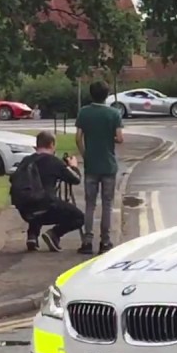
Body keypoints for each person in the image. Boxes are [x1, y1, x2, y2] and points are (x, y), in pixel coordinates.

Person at [9, 131, 84, 252]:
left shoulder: (26, 161)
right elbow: (76, 179)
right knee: (79, 217)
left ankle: (32, 236)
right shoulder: (54, 162)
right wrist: (73, 166)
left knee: (35, 198)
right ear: (52, 144)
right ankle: (54, 234)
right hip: (47, 208)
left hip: (24, 210)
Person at [74, 81, 123, 254]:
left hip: (91, 164)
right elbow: (119, 138)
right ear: (106, 95)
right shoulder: (114, 113)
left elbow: (78, 137)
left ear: (91, 94)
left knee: (90, 204)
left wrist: (85, 154)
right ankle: (105, 242)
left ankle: (87, 242)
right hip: (108, 164)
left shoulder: (84, 113)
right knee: (107, 204)